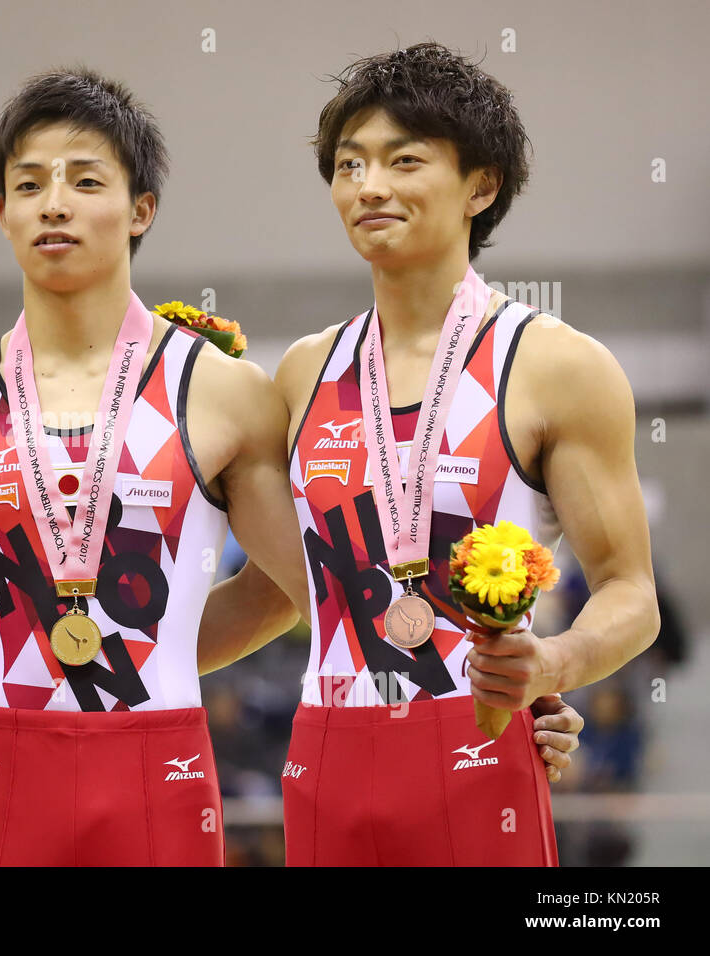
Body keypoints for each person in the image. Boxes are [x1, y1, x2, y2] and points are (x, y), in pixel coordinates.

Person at [0, 67, 580, 867]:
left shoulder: (227, 395)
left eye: (85, 180)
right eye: (27, 184)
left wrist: (514, 689)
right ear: (0, 212)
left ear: (142, 209)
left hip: (160, 758)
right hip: (5, 759)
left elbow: (315, 587)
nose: (54, 203)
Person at [202, 43, 657, 865]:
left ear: (481, 186)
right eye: (349, 165)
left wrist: (549, 663)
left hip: (475, 738)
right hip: (325, 746)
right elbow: (276, 591)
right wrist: (97, 670)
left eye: (403, 161)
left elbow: (631, 592)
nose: (368, 187)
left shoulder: (556, 366)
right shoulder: (306, 372)